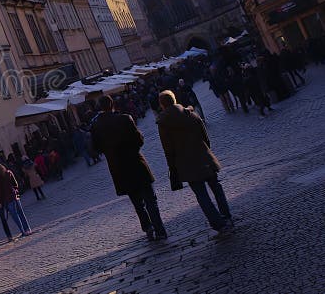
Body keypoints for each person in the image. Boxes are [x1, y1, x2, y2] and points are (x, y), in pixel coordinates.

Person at [91, 96, 168, 241]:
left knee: (137, 203)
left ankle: (148, 228)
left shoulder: (96, 127)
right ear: (112, 104)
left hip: (119, 169)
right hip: (135, 163)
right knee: (150, 200)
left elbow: (95, 149)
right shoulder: (125, 119)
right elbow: (139, 140)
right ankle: (160, 230)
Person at [156, 91, 233, 234]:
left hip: (186, 163)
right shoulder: (190, 114)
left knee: (201, 194)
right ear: (174, 99)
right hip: (203, 156)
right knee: (216, 187)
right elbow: (205, 136)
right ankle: (226, 215)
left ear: (162, 105)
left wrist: (172, 167)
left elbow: (168, 149)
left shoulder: (163, 123)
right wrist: (205, 151)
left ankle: (218, 224)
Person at [0, 163, 32, 237]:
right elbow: (16, 184)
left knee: (15, 215)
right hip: (15, 196)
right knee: (21, 213)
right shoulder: (9, 173)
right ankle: (28, 229)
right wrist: (15, 190)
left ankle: (23, 231)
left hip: (8, 199)